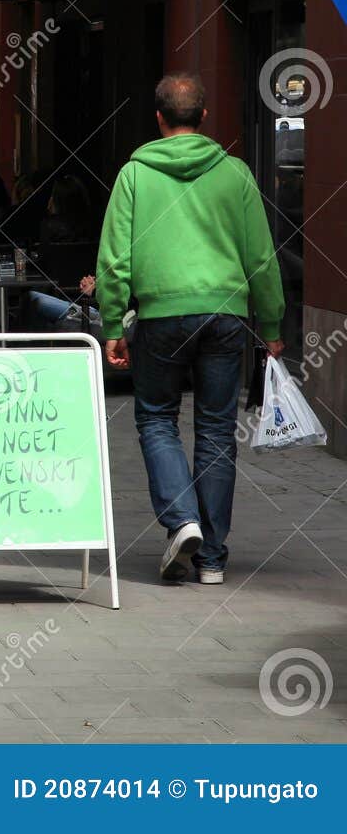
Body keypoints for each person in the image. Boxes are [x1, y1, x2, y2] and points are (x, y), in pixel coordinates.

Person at [97, 73, 284, 586]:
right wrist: (271, 324)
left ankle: (182, 520)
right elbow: (261, 258)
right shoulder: (235, 173)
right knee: (218, 430)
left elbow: (114, 259)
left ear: (158, 118)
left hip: (160, 314)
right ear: (203, 118)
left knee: (157, 419)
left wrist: (112, 322)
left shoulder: (135, 175)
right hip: (226, 315)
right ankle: (213, 559)